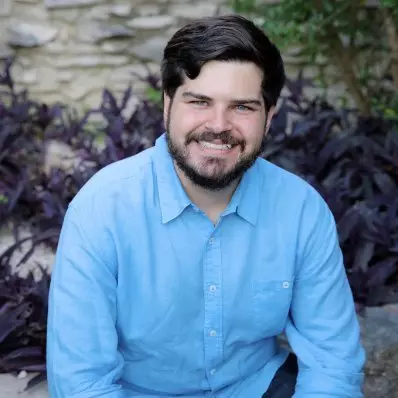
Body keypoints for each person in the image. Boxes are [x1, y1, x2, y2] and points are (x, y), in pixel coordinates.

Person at [46, 14, 366, 398]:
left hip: (255, 386)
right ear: (168, 105)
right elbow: (82, 380)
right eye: (199, 101)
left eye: (243, 107)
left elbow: (333, 361)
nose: (219, 125)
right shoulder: (101, 210)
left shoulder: (301, 211)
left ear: (269, 118)